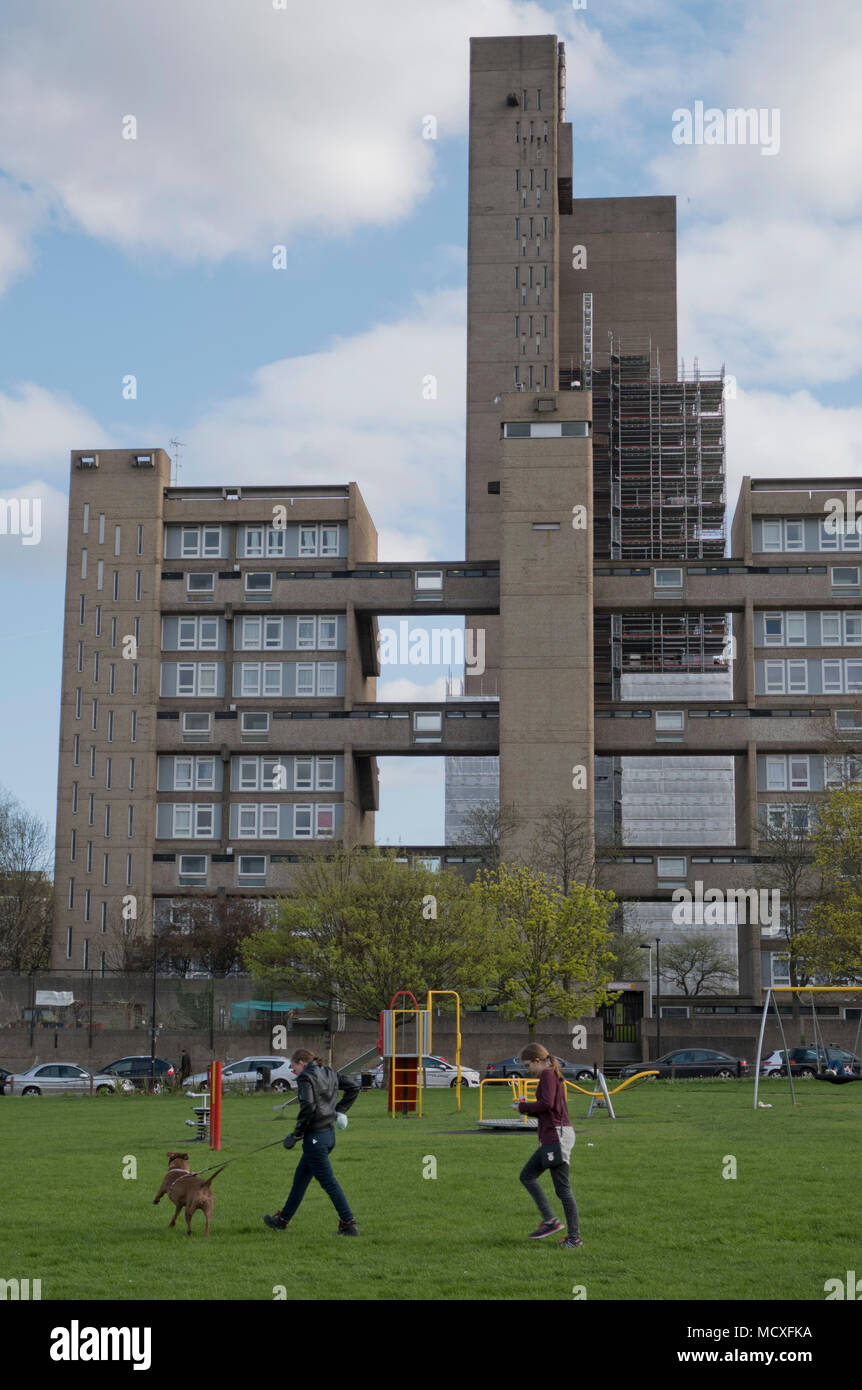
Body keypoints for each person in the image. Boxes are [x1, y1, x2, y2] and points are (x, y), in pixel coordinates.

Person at [264, 1048, 360, 1236]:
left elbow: (308, 1106)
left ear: (301, 1062)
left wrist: (296, 1134)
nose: (293, 1072)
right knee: (300, 1181)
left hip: (315, 1138)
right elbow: (354, 1087)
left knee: (329, 1182)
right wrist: (339, 1110)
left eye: (293, 1068)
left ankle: (349, 1223)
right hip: (328, 1135)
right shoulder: (330, 1072)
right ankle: (282, 1221)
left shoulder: (306, 1077)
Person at [515, 1043, 582, 1249]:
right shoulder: (552, 1074)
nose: (527, 1071)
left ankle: (572, 1237)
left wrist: (523, 1106)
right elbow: (549, 1108)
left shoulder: (547, 1075)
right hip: (555, 1134)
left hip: (556, 1136)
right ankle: (551, 1222)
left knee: (563, 1189)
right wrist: (525, 1109)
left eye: (528, 1065)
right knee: (527, 1176)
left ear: (537, 1060)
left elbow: (546, 1105)